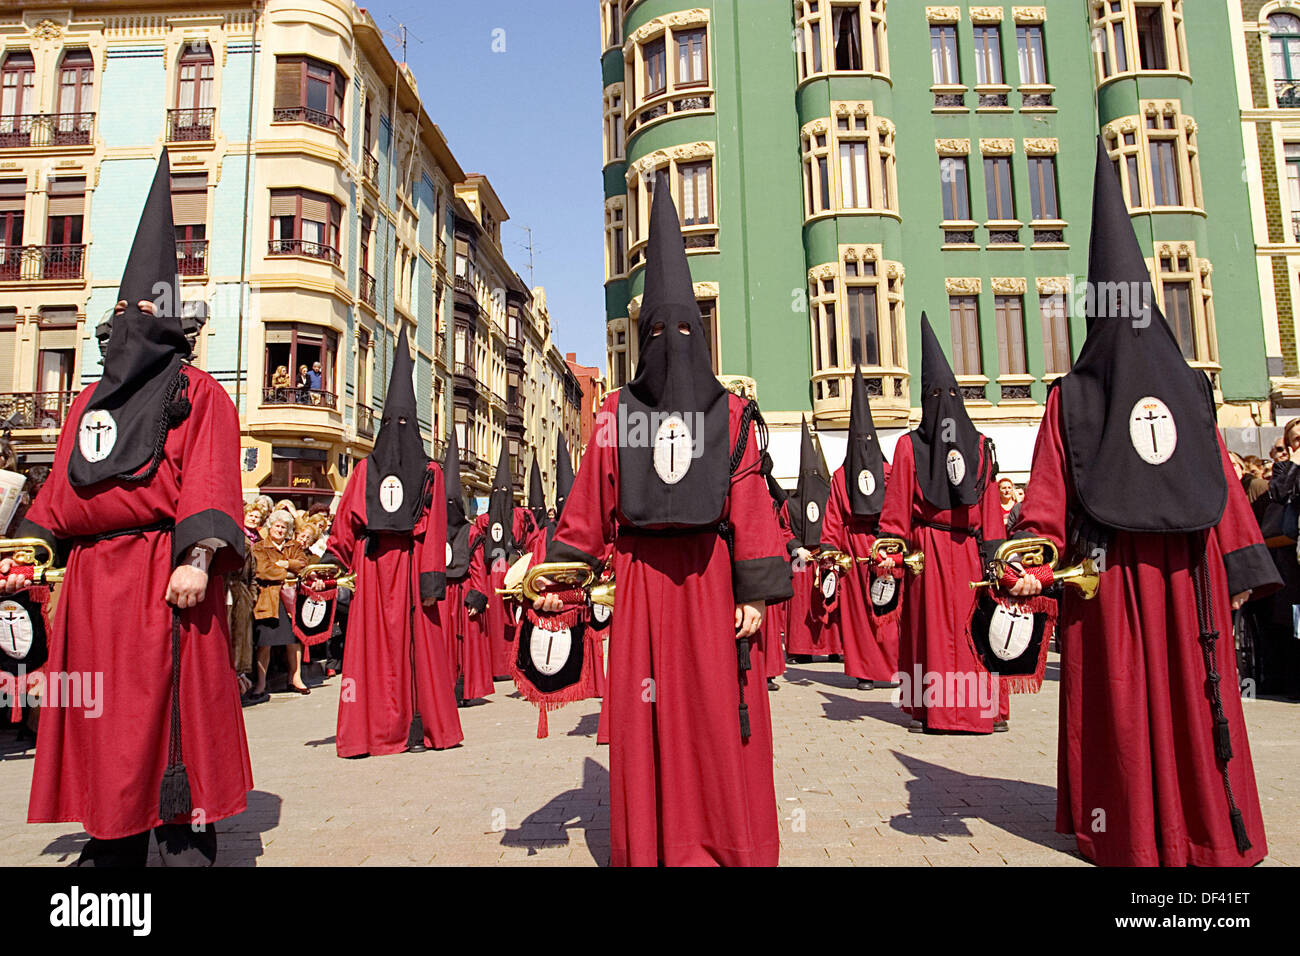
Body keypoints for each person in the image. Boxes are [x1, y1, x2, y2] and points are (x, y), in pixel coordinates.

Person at [1006, 139, 1279, 866]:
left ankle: (1130, 827)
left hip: (1119, 587)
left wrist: (1031, 569)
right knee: (1192, 699)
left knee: (1126, 705)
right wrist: (1241, 570)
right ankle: (1198, 826)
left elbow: (1046, 506)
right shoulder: (1191, 389)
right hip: (1188, 581)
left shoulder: (1072, 399)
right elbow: (1219, 487)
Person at [0, 152, 250, 866]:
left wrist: (197, 556)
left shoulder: (200, 395)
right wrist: (27, 558)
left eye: (146, 310)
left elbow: (207, 483)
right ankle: (111, 844)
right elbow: (55, 502)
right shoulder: (86, 402)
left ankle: (181, 845)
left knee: (172, 729)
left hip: (161, 581)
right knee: (104, 728)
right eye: (122, 310)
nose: (130, 319)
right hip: (89, 591)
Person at [534, 174, 791, 865]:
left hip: (710, 591)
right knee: (655, 720)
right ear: (642, 336)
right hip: (645, 590)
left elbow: (749, 503)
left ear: (698, 334)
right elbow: (587, 509)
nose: (671, 344)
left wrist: (755, 594)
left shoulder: (730, 415)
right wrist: (552, 584)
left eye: (683, 330)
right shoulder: (616, 416)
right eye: (659, 332)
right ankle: (660, 845)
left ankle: (717, 842)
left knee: (713, 719)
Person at [325, 327, 462, 756]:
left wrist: (333, 559)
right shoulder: (429, 473)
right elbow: (435, 527)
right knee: (414, 650)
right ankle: (413, 727)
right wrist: (430, 582)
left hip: (375, 568)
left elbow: (344, 525)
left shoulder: (366, 471)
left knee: (377, 651)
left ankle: (378, 729)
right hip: (406, 564)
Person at [877, 312, 1009, 734]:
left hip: (970, 555)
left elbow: (990, 511)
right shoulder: (908, 447)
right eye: (937, 394)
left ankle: (984, 709)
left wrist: (998, 559)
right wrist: (891, 555)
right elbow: (896, 509)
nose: (944, 401)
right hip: (927, 555)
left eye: (950, 392)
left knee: (977, 631)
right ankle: (929, 708)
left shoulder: (983, 448)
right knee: (929, 633)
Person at [822, 367, 899, 691]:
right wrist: (831, 555)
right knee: (859, 614)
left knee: (888, 610)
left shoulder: (890, 472)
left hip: (883, 549)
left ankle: (891, 668)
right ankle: (865, 670)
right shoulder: (842, 477)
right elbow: (833, 518)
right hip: (857, 550)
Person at [435, 428, 493, 707]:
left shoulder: (470, 534)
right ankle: (440, 687)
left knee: (461, 644)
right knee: (442, 644)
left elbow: (478, 569)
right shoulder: (431, 532)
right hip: (440, 595)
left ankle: (461, 688)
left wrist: (477, 597)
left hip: (462, 594)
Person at [467, 446, 535, 678]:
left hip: (506, 575)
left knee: (508, 620)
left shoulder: (515, 517)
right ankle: (500, 665)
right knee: (497, 621)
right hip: (494, 574)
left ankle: (508, 664)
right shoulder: (493, 519)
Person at [784, 418, 839, 663]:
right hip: (802, 561)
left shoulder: (832, 498)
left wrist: (831, 552)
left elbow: (837, 525)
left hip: (826, 557)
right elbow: (784, 530)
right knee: (800, 605)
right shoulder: (790, 504)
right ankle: (801, 649)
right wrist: (797, 548)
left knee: (831, 601)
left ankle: (836, 648)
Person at [250, 509, 310, 698]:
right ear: (270, 527)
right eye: (277, 526)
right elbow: (262, 571)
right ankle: (260, 684)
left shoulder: (293, 545)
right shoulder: (260, 547)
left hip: (291, 600)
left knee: (294, 640)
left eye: (284, 527)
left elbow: (303, 564)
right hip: (269, 598)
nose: (280, 530)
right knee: (264, 642)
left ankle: (296, 679)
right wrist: (288, 572)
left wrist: (283, 565)